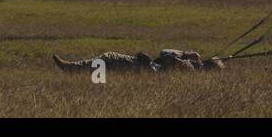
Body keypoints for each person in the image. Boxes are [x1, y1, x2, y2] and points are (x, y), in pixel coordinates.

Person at [52, 49, 224, 73]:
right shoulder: (191, 66)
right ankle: (74, 70)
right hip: (147, 68)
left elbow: (165, 53)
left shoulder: (190, 69)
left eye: (206, 62)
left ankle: (71, 69)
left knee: (109, 58)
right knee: (108, 63)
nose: (202, 61)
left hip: (148, 70)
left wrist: (185, 54)